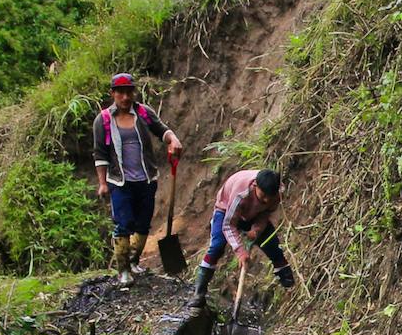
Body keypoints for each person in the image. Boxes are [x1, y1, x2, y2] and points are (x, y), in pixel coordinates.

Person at [91, 72, 183, 285]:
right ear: (112, 94)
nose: (125, 97)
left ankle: (133, 261)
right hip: (119, 181)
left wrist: (173, 139)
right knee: (123, 224)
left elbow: (161, 130)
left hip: (146, 179)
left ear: (133, 92)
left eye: (128, 92)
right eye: (120, 92)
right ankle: (123, 269)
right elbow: (100, 154)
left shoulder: (143, 113)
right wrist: (103, 183)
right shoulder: (103, 120)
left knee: (143, 224)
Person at [190, 169, 295, 310]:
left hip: (254, 215)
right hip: (226, 210)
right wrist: (240, 252)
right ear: (255, 186)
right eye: (263, 196)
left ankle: (290, 291)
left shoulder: (276, 192)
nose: (266, 200)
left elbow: (266, 213)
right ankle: (199, 294)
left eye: (270, 197)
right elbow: (228, 225)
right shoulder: (241, 194)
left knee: (272, 246)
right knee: (216, 246)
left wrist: (256, 229)